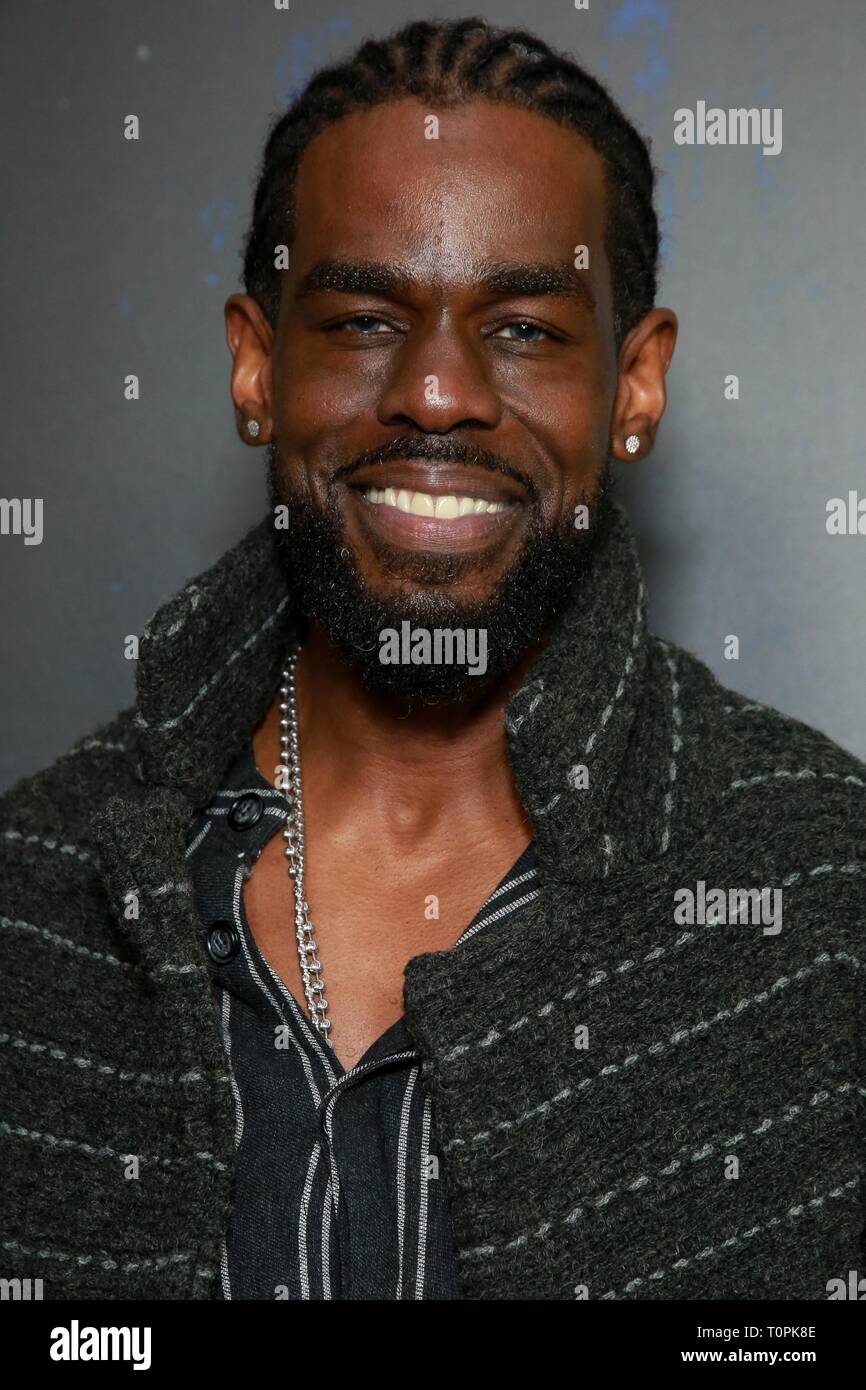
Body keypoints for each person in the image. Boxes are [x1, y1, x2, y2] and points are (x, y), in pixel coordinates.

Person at [1, 17, 863, 1302]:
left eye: (520, 328)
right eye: (359, 319)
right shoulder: (33, 900)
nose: (439, 391)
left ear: (633, 387)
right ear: (254, 364)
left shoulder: (823, 897)